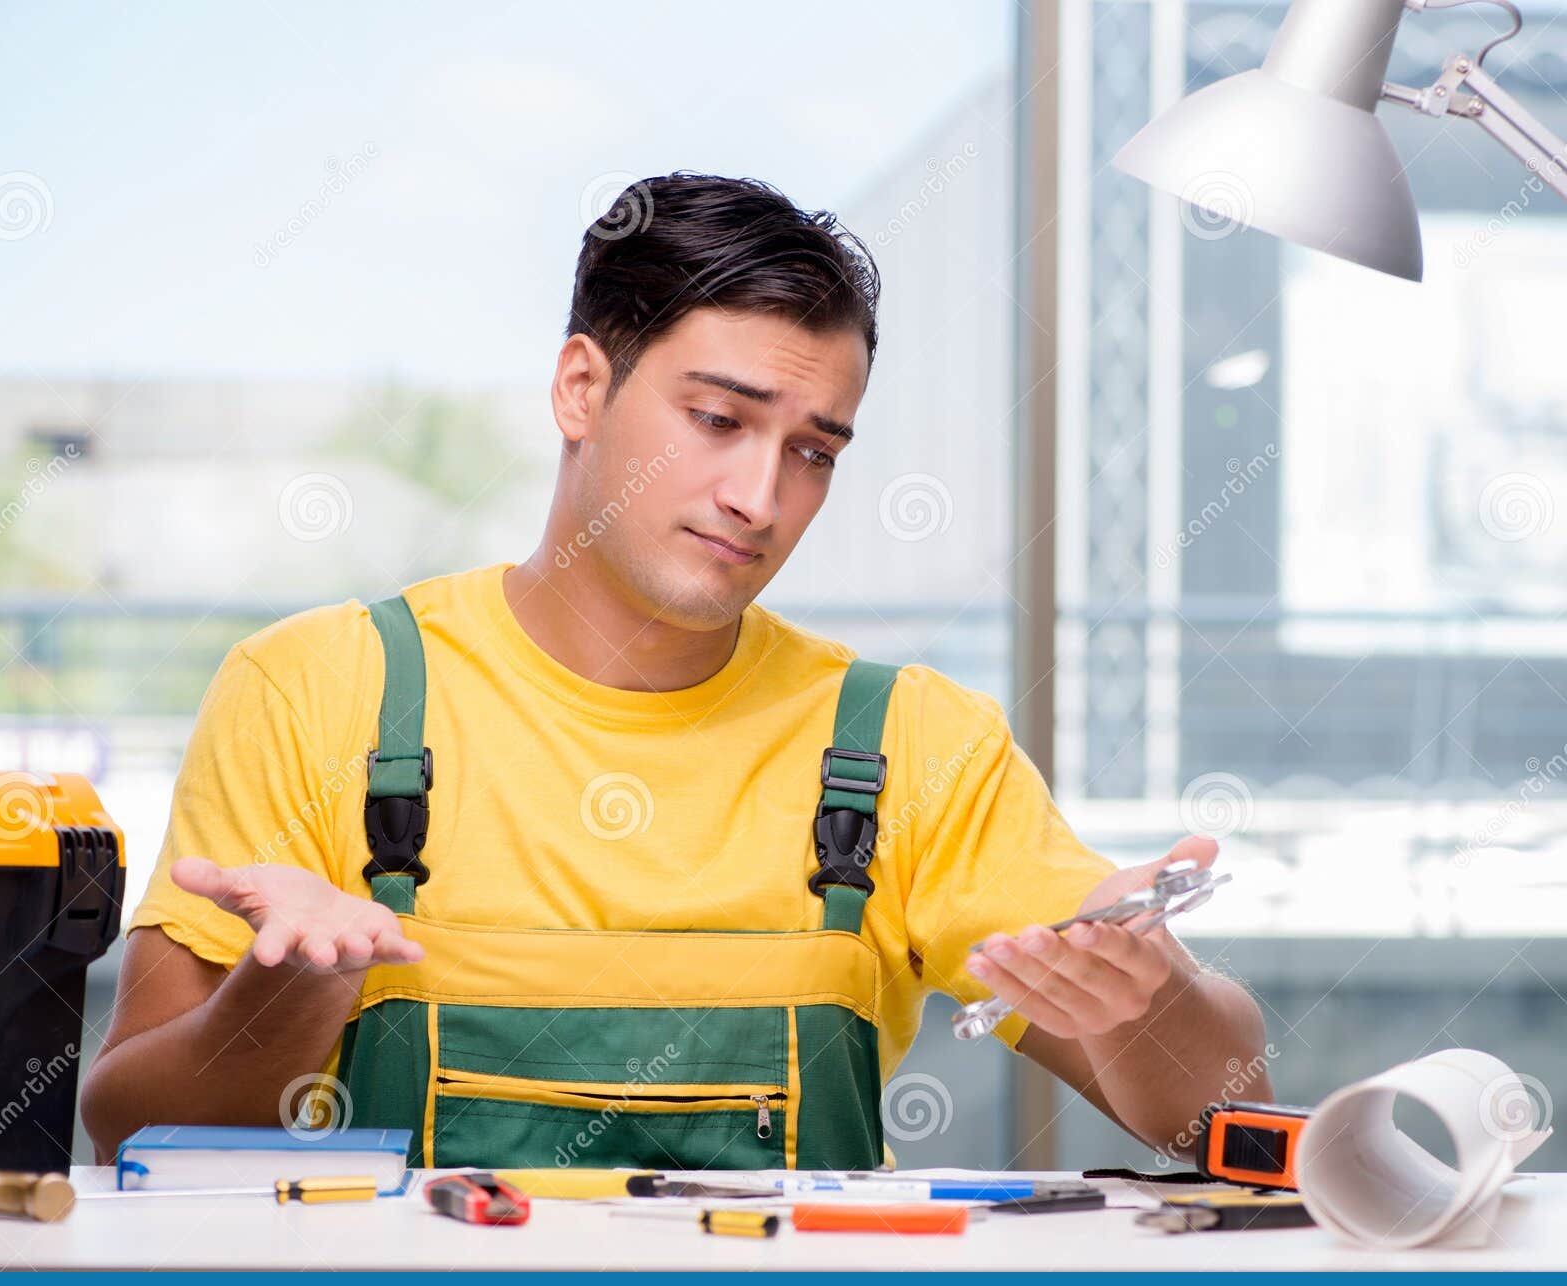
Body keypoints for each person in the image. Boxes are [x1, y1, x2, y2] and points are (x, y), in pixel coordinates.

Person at [80, 172, 1270, 1170]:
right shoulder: (318, 692)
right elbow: (129, 1129)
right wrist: (292, 990)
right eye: (718, 420)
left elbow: (1214, 1119)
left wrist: (1154, 995)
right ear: (580, 388)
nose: (761, 497)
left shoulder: (908, 743)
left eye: (813, 452)